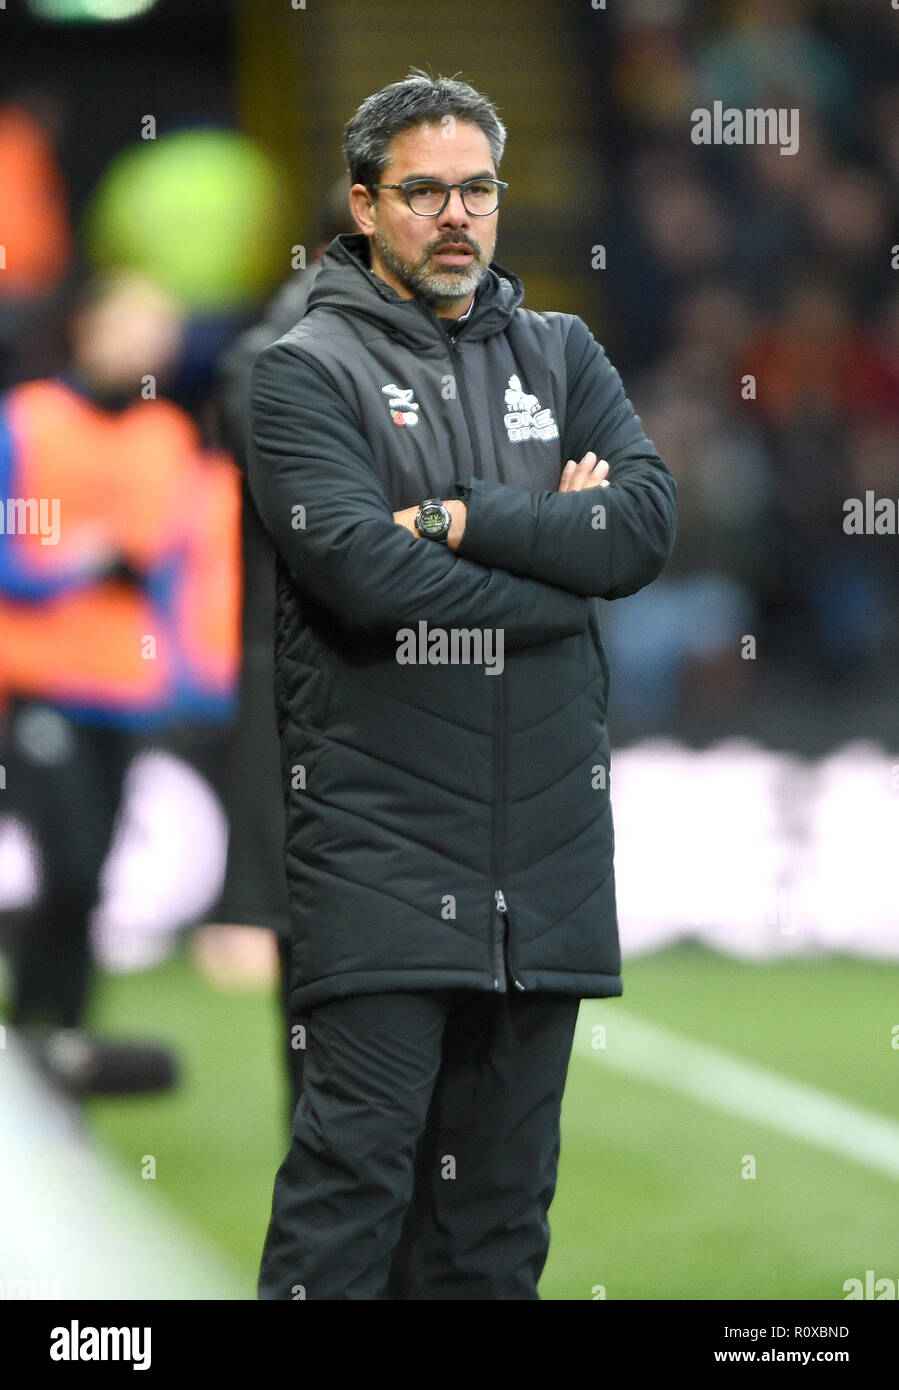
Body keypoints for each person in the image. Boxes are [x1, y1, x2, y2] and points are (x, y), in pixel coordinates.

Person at [247, 70, 677, 1301]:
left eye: (476, 190)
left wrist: (459, 517)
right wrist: (556, 560)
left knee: (494, 1233)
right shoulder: (303, 373)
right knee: (350, 1200)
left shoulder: (563, 349)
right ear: (364, 202)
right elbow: (369, 582)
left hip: (543, 869)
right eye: (424, 190)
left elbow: (639, 533)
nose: (455, 215)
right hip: (380, 860)